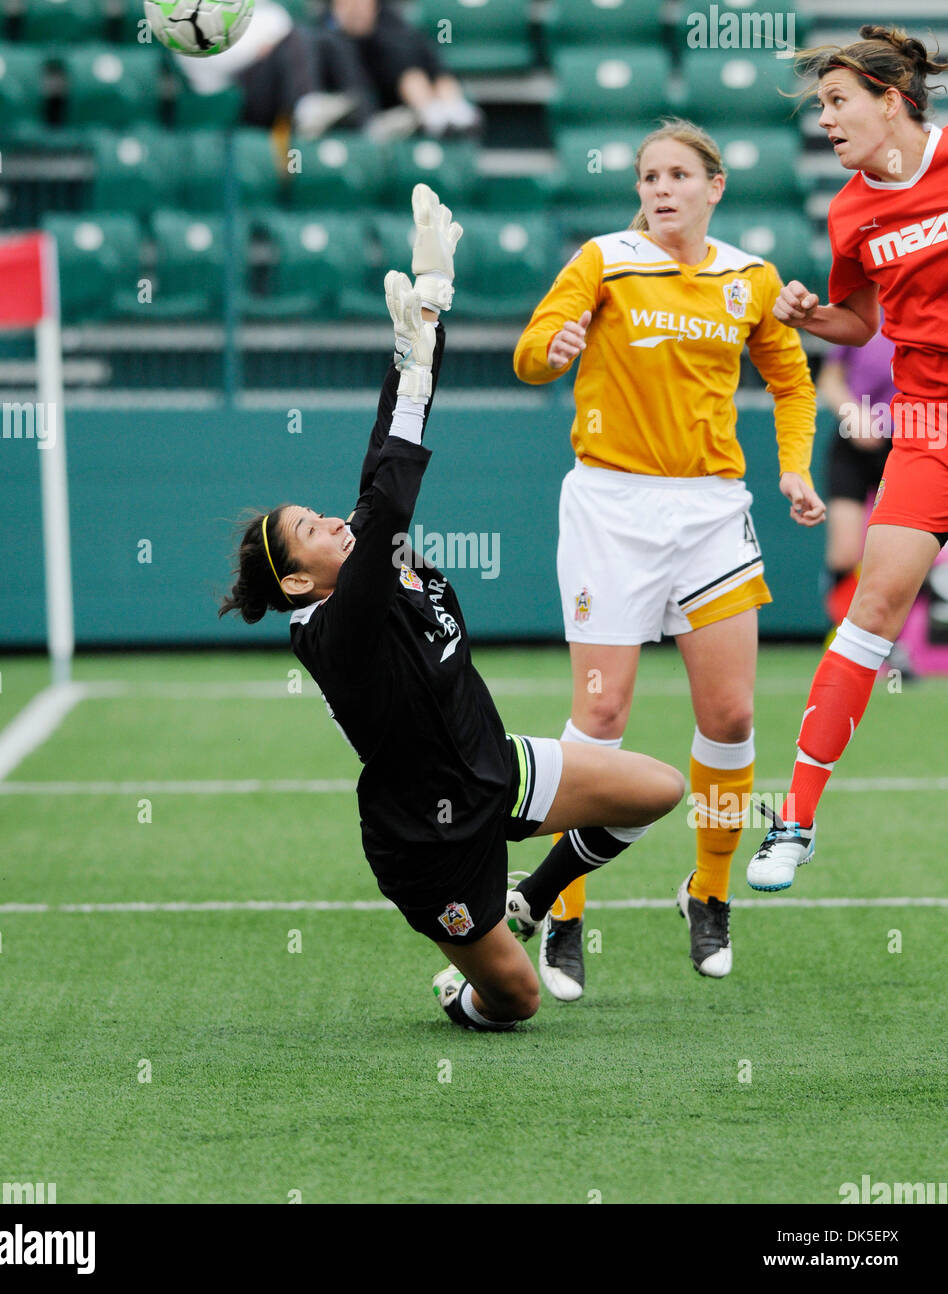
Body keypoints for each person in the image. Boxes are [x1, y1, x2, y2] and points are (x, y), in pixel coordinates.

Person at [218, 185, 684, 1031]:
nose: (329, 519)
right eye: (306, 530)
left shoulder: (356, 556)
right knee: (516, 1003)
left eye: (318, 512)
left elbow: (387, 449)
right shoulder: (334, 621)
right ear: (295, 581)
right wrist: (418, 354)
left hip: (492, 768)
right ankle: (470, 989)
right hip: (424, 840)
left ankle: (533, 901)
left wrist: (429, 312)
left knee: (658, 789)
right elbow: (395, 484)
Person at [514, 119, 824, 994]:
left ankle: (709, 892)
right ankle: (564, 911)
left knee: (728, 716)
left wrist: (794, 469)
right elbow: (530, 355)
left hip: (711, 511)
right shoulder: (602, 259)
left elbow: (793, 381)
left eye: (679, 174)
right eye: (649, 175)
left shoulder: (748, 279)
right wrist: (555, 349)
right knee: (602, 721)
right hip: (611, 506)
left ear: (714, 186)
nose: (661, 188)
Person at [745, 25, 948, 891]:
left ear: (892, 100)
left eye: (837, 102)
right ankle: (793, 819)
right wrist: (808, 314)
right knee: (871, 605)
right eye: (820, 106)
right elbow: (859, 320)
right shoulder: (850, 211)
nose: (824, 121)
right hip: (928, 427)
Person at [172, 0, 363, 139]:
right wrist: (262, 49)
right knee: (297, 38)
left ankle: (363, 117)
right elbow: (214, 60)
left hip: (279, 98)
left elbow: (288, 44)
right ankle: (307, 107)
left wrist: (268, 48)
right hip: (237, 104)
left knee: (328, 39)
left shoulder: (270, 12)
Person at [318, 0, 481, 140]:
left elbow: (425, 56)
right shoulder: (323, 27)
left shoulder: (391, 21)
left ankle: (450, 109)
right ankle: (433, 113)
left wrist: (371, 30)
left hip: (398, 105)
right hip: (354, 113)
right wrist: (344, 31)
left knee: (414, 63)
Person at [815, 312, 895, 634]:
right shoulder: (866, 314)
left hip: (906, 446)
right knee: (845, 553)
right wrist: (854, 414)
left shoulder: (931, 316)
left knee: (894, 556)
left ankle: (891, 640)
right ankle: (844, 633)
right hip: (853, 443)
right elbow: (830, 379)